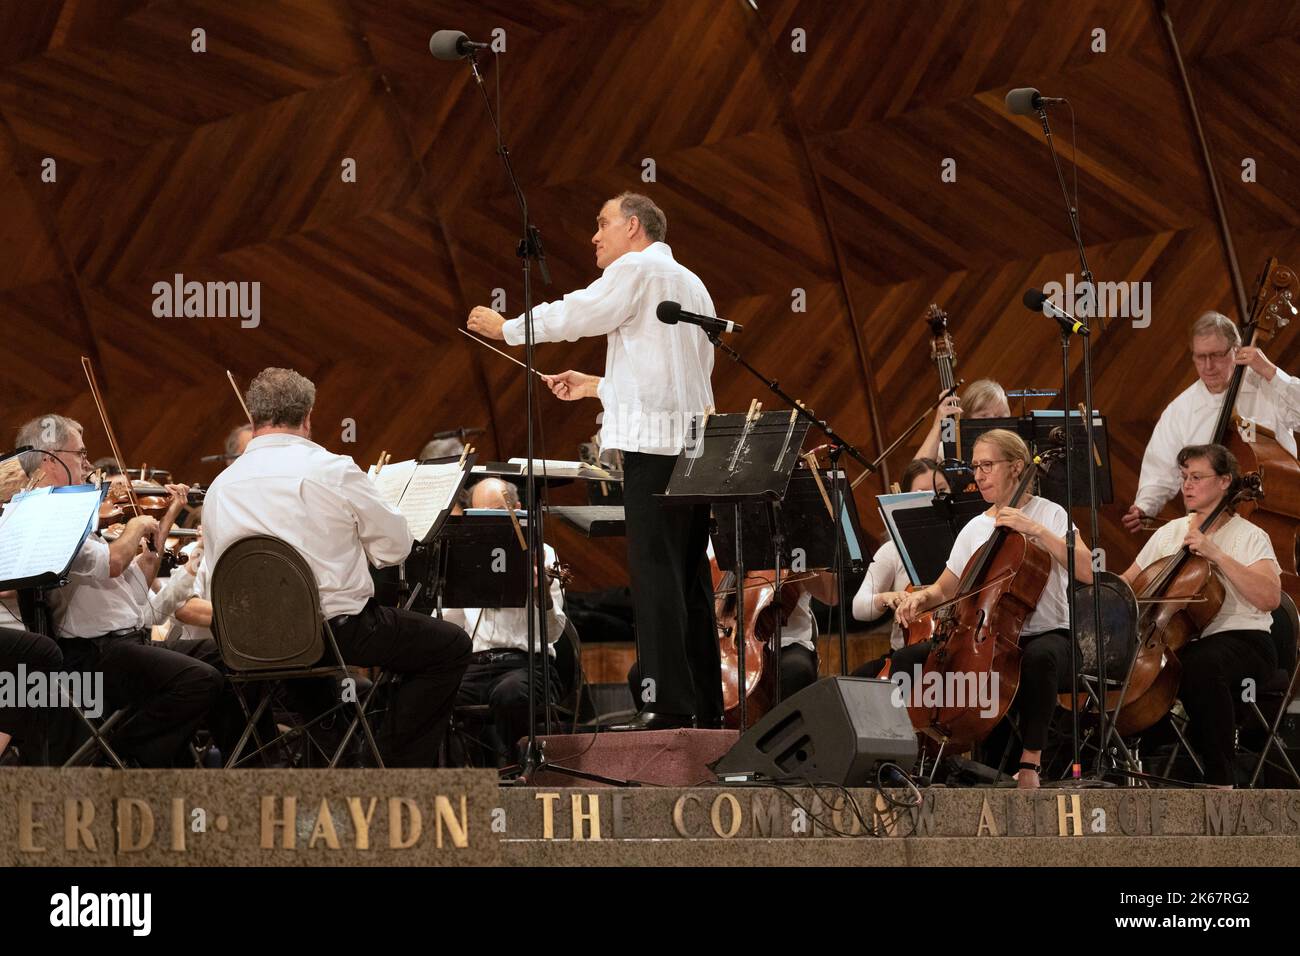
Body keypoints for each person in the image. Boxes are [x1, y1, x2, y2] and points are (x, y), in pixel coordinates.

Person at [467, 191, 718, 731]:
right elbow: (675, 380)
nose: (594, 237)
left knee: (654, 579)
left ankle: (665, 706)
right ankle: (704, 706)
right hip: (694, 453)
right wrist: (597, 387)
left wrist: (509, 329)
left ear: (633, 226)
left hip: (653, 453)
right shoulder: (692, 282)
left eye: (601, 224)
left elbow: (580, 311)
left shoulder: (636, 268)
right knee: (688, 581)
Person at [200, 368, 471, 766]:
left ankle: (347, 762)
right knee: (449, 647)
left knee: (305, 667)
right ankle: (393, 773)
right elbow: (396, 548)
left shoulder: (220, 487)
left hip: (248, 644)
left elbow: (211, 585)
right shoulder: (332, 469)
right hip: (333, 635)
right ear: (308, 417)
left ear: (253, 417)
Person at [14, 414, 221, 767]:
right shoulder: (50, 514)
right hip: (94, 656)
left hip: (128, 643)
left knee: (228, 655)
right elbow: (112, 562)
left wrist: (166, 517)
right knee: (199, 681)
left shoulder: (80, 515)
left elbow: (137, 587)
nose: (86, 463)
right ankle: (117, 757)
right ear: (51, 459)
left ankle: (250, 763)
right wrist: (137, 524)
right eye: (80, 454)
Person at [893, 429, 1093, 789]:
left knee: (1040, 658)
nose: (978, 475)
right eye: (975, 466)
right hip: (989, 639)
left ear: (1017, 467)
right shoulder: (975, 527)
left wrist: (1035, 530)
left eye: (987, 465)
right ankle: (911, 757)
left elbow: (1086, 571)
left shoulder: (1050, 514)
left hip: (1048, 635)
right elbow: (945, 587)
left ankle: (1031, 762)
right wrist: (919, 599)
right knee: (910, 660)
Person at [1120, 443, 1280, 787]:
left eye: (1196, 477)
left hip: (1246, 640)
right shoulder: (1169, 533)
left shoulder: (1251, 536)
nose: (1187, 485)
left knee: (1199, 665)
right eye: (1183, 477)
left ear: (1225, 482)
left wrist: (1216, 554)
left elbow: (1269, 597)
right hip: (1181, 641)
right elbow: (1129, 582)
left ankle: (1221, 780)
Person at [1124, 311, 1300, 532]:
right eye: (1200, 357)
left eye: (1216, 355)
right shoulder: (1180, 410)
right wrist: (1144, 507)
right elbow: (1160, 469)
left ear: (1237, 350)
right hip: (1209, 530)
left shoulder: (1266, 387)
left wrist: (1271, 372)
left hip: (1273, 522)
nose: (1208, 366)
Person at [443, 479, 566, 765]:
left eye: (498, 513)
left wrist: (542, 594)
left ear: (519, 510)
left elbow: (552, 633)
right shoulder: (466, 555)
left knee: (510, 694)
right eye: (479, 516)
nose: (489, 524)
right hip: (475, 665)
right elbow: (451, 625)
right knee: (432, 694)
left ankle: (520, 770)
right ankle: (471, 778)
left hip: (527, 665)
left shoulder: (542, 554)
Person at [851, 458, 951, 676]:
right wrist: (885, 598)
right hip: (904, 652)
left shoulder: (965, 540)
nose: (934, 500)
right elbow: (858, 608)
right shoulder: (892, 550)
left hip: (954, 649)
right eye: (922, 494)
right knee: (852, 684)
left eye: (941, 491)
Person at [914, 378, 1011, 463]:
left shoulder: (1015, 450)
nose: (993, 425)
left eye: (1000, 417)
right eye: (984, 416)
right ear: (966, 418)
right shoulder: (950, 451)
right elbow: (916, 476)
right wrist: (937, 428)